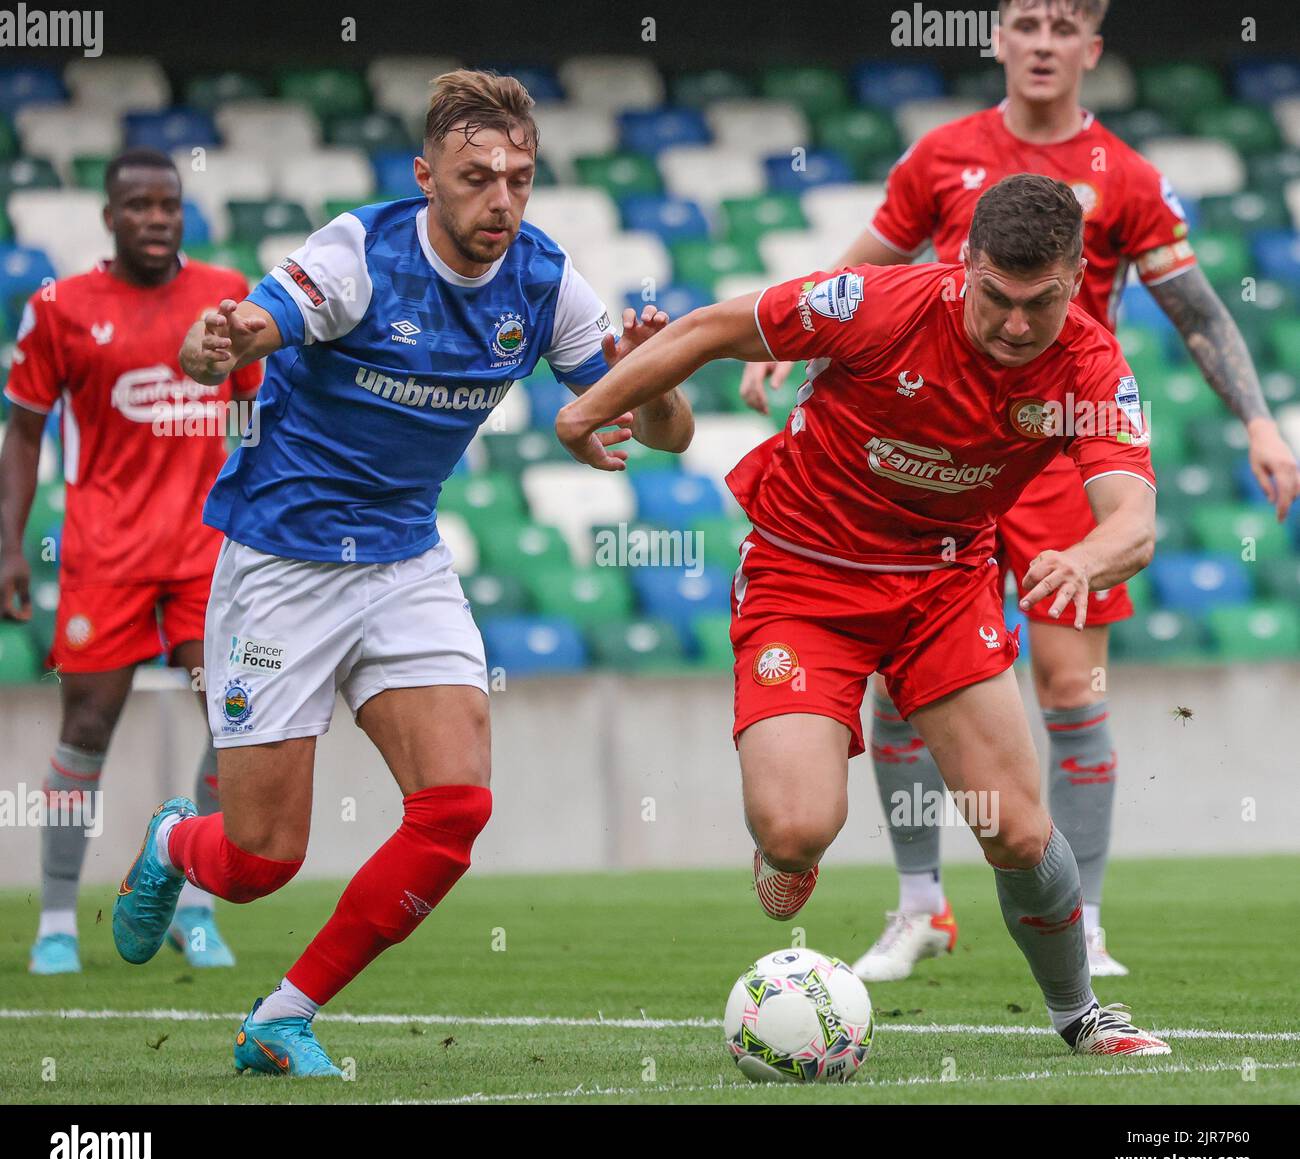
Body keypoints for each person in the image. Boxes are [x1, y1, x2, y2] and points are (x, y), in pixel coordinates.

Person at [111, 70, 693, 1076]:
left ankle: (282, 1016)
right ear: (427, 176)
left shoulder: (548, 283)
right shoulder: (360, 251)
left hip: (403, 559)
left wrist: (658, 375)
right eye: (476, 178)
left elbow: (665, 438)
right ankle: (172, 842)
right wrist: (221, 343)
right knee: (258, 861)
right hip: (281, 563)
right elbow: (254, 326)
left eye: (519, 178)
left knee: (457, 808)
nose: (500, 200)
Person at [740, 0, 1298, 981]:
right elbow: (870, 268)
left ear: (1092, 46)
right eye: (1025, 23)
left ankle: (1077, 916)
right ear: (996, 38)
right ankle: (918, 904)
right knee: (899, 687)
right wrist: (792, 340)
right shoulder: (941, 155)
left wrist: (1256, 417)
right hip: (939, 451)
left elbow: (1195, 307)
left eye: (1063, 25)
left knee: (1069, 689)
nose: (1042, 43)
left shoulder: (1124, 177)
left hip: (1053, 459)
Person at [559, 173, 1171, 1055]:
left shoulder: (1089, 366)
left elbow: (1136, 521)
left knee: (1017, 830)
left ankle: (1080, 1013)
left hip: (943, 586)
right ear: (965, 263)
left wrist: (1083, 555)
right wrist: (586, 408)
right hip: (803, 578)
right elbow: (704, 331)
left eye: (1037, 304)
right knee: (799, 828)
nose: (1011, 324)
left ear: (1076, 277)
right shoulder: (872, 305)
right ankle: (784, 853)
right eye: (994, 296)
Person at [0, 147, 261, 975]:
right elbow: (25, 432)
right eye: (140, 206)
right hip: (103, 555)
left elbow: (259, 416)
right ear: (109, 217)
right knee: (85, 728)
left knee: (233, 716)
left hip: (204, 553)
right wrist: (9, 542)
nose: (157, 218)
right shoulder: (61, 307)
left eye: (170, 205)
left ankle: (195, 904)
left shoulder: (227, 295)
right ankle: (54, 923)